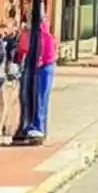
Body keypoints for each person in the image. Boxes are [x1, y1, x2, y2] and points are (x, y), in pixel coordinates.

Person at [15, 16, 56, 144]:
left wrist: (37, 62)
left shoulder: (45, 37)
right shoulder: (27, 35)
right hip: (29, 68)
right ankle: (26, 125)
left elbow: (45, 55)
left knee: (40, 97)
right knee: (26, 97)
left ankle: (38, 127)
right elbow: (21, 51)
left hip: (43, 68)